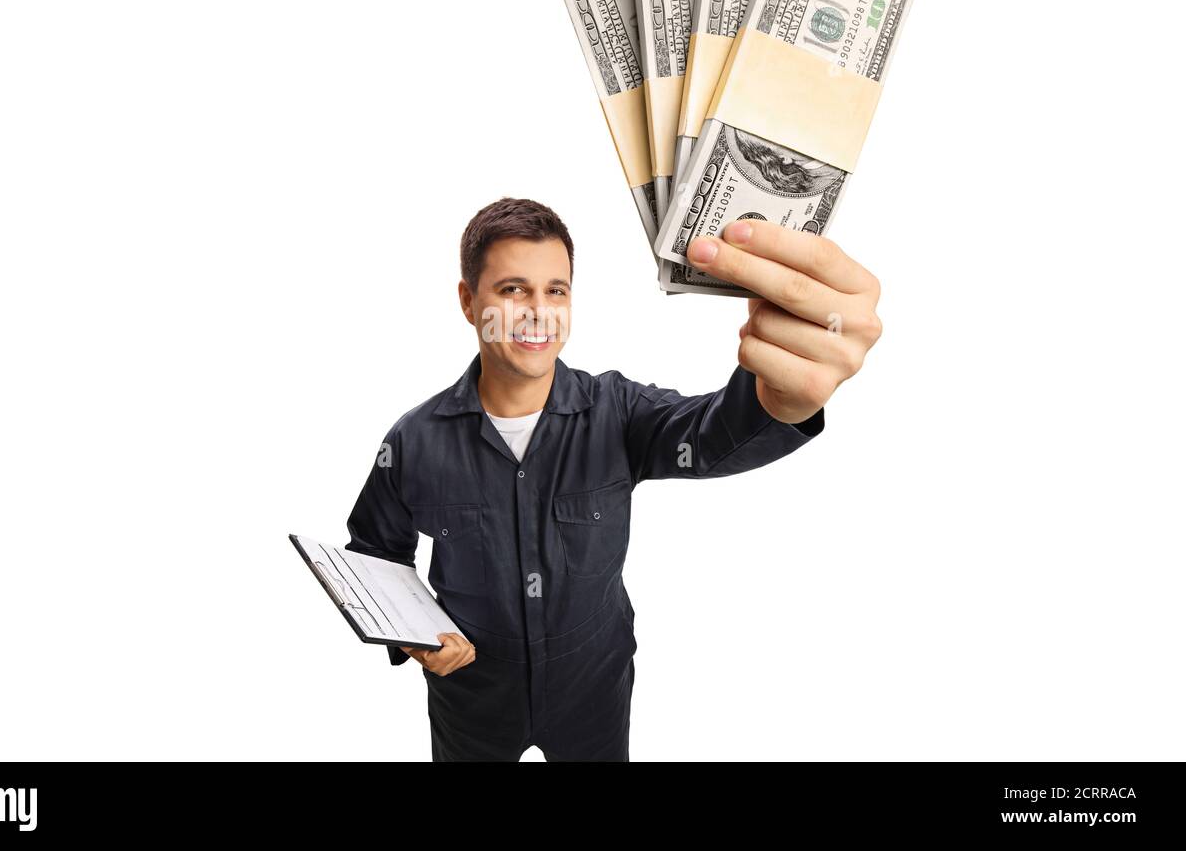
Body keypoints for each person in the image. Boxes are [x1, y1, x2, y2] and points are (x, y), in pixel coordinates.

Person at [344, 197, 883, 761]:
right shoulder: (413, 441)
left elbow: (706, 437)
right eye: (512, 290)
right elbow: (376, 555)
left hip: (592, 692)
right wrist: (416, 636)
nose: (539, 311)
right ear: (467, 300)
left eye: (556, 290)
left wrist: (777, 402)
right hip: (473, 699)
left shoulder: (616, 412)